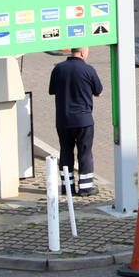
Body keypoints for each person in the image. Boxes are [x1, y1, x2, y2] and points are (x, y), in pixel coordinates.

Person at [48, 47, 103, 195]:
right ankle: (85, 187)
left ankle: (67, 186)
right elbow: (99, 91)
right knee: (84, 153)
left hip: (63, 119)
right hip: (83, 120)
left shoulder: (58, 69)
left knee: (65, 152)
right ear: (83, 53)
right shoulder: (88, 69)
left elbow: (52, 90)